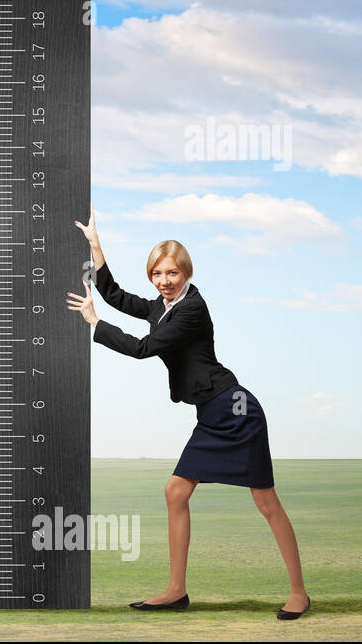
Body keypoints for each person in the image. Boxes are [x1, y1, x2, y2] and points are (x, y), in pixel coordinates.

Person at [66, 206, 310, 620]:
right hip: (211, 415)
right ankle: (176, 590)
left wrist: (95, 324)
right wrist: (96, 246)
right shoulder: (164, 306)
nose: (163, 281)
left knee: (266, 502)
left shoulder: (191, 309)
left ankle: (300, 593)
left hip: (236, 412)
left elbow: (144, 349)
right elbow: (117, 295)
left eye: (172, 274)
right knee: (176, 491)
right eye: (157, 274)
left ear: (187, 274)